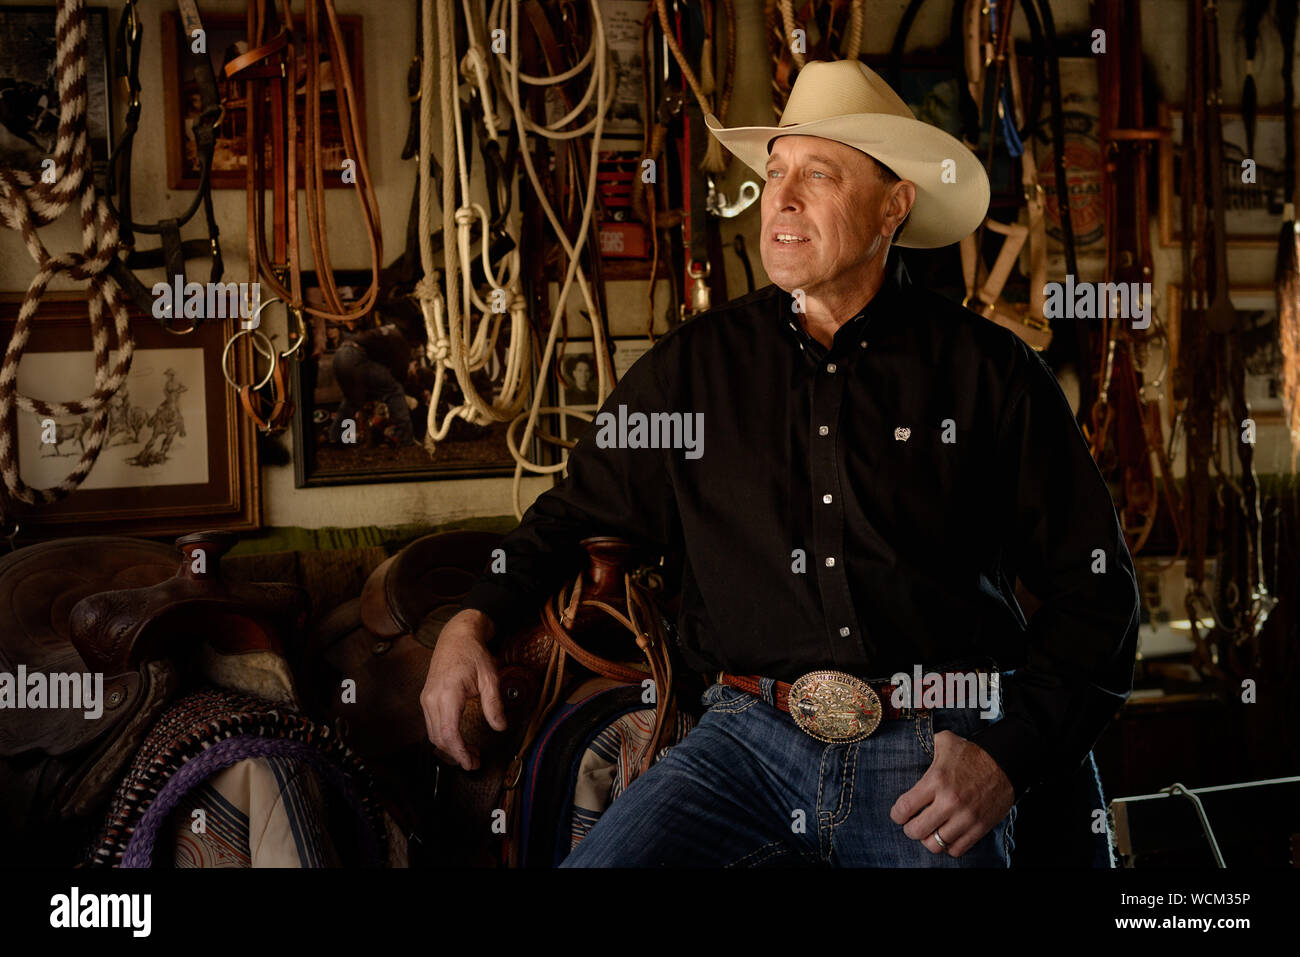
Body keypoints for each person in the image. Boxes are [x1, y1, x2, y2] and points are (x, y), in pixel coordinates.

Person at [419, 60, 1139, 867]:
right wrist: (468, 619)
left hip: (932, 746)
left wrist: (1007, 753)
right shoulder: (692, 372)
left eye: (818, 174)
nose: (781, 200)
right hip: (745, 746)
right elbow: (572, 517)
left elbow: (1099, 593)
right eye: (775, 173)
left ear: (893, 205)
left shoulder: (990, 375)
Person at [328, 322, 418, 447]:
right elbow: (399, 373)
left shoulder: (387, 331)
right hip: (355, 355)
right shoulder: (400, 340)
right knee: (395, 390)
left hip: (339, 357)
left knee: (353, 399)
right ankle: (405, 438)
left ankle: (337, 436)